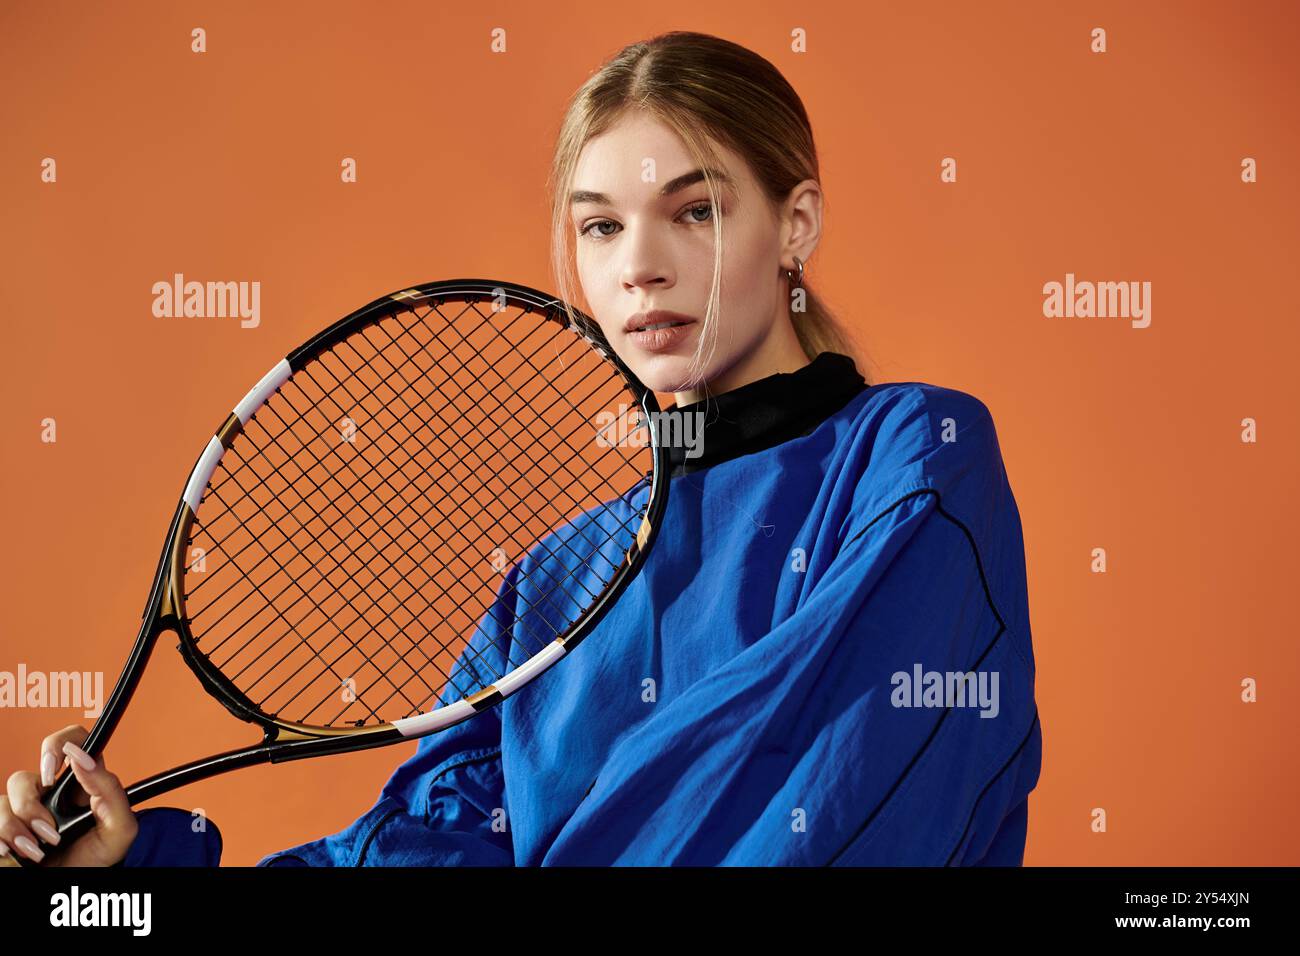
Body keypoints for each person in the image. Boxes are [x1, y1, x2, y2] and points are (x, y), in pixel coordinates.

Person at [1, 30, 1041, 867]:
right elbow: (423, 851)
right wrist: (122, 884)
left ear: (795, 221)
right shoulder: (554, 584)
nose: (638, 266)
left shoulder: (917, 458)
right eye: (598, 227)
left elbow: (839, 788)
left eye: (695, 210)